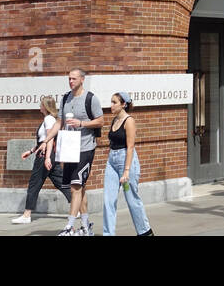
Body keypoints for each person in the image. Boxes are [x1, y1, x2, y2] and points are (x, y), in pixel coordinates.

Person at [42, 67, 106, 236]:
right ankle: (86, 226)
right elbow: (59, 123)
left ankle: (69, 226)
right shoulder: (65, 98)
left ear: (82, 80)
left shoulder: (91, 99)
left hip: (85, 147)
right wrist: (46, 140)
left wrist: (81, 123)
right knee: (80, 188)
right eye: (69, 79)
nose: (71, 81)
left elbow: (100, 121)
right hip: (69, 149)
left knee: (75, 187)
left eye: (74, 79)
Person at [13, 96, 71, 223]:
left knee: (34, 184)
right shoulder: (49, 119)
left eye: (41, 104)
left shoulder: (49, 119)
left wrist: (47, 158)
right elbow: (42, 141)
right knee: (61, 182)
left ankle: (27, 215)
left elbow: (50, 139)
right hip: (47, 155)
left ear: (45, 106)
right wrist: (31, 151)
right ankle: (77, 208)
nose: (39, 106)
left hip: (44, 156)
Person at [103, 92, 154, 236]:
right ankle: (108, 233)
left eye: (114, 102)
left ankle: (145, 231)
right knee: (108, 200)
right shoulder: (114, 120)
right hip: (112, 161)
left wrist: (126, 171)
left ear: (123, 104)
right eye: (111, 102)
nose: (111, 105)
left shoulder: (129, 121)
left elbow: (130, 146)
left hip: (127, 161)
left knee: (131, 198)